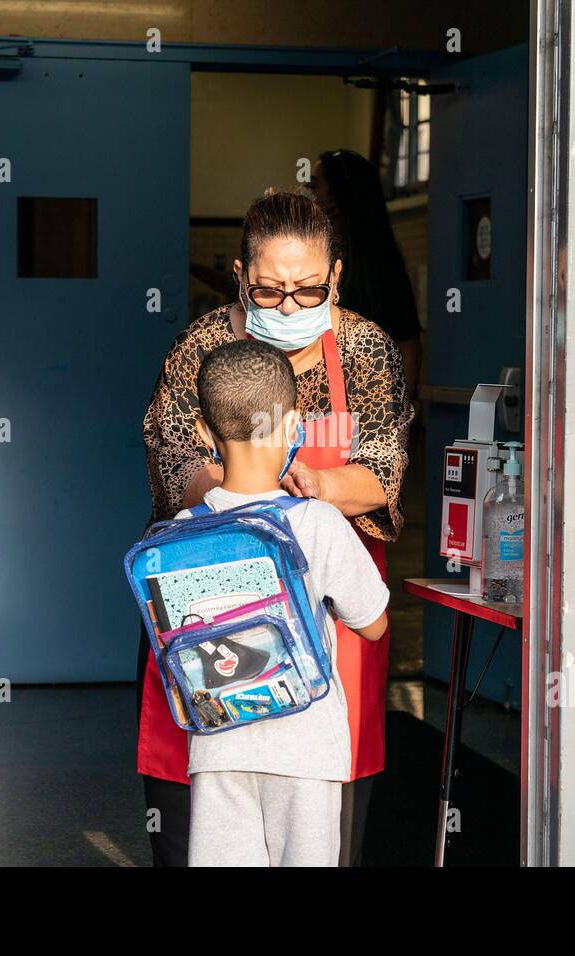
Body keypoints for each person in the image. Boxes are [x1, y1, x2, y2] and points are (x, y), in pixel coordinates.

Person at [139, 186, 413, 866]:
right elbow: (174, 460)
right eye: (268, 291)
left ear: (336, 276)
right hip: (211, 601)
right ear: (239, 276)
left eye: (307, 288)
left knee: (321, 827)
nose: (289, 305)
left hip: (332, 620)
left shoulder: (366, 350)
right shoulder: (200, 346)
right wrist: (246, 501)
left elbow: (383, 468)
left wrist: (316, 491)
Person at [177, 339, 388, 866]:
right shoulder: (317, 522)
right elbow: (375, 624)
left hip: (219, 747)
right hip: (305, 748)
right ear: (294, 424)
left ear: (203, 432)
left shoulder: (178, 535)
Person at [310, 149, 422, 396]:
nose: (310, 196)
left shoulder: (379, 268)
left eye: (315, 187)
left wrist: (400, 419)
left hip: (367, 408)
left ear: (339, 196)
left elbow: (407, 345)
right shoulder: (318, 256)